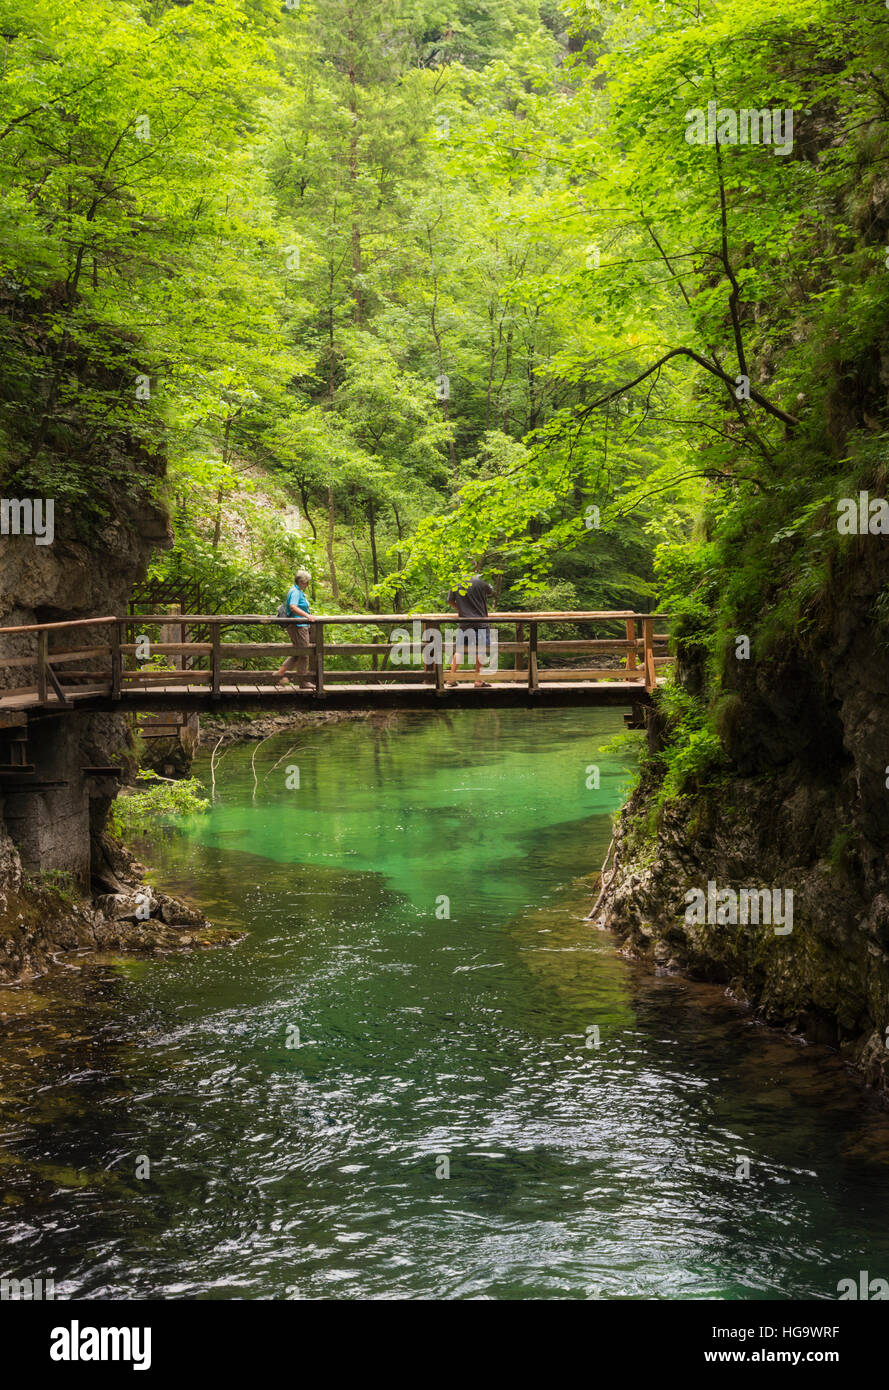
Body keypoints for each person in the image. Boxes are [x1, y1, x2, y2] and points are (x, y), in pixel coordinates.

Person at [446, 568, 495, 687]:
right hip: (481, 622)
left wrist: (460, 609)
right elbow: (491, 592)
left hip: (464, 622)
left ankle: (451, 678)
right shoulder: (482, 580)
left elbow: (450, 601)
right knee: (481, 650)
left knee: (460, 650)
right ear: (475, 568)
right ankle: (478, 680)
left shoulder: (456, 581)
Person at [276, 569, 315, 688]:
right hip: (298, 626)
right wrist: (307, 615)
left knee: (297, 653)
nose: (308, 585)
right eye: (307, 582)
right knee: (304, 653)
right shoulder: (296, 592)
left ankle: (279, 674)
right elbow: (293, 607)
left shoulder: (296, 591)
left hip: (298, 626)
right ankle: (303, 682)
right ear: (301, 582)